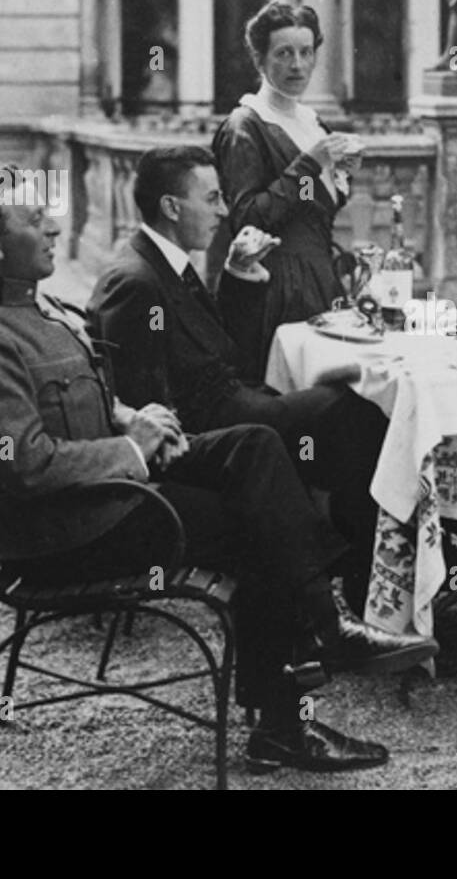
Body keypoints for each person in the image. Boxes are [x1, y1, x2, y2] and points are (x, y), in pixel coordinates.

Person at [0, 167, 437, 774]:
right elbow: (30, 466)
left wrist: (132, 419)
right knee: (260, 522)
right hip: (68, 532)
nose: (54, 226)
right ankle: (296, 696)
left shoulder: (33, 312)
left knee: (254, 446)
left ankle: (323, 626)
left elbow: (81, 400)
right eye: (35, 221)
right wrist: (135, 452)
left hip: (110, 495)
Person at [88, 145, 388, 606]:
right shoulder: (137, 283)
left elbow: (219, 347)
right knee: (357, 412)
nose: (224, 211)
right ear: (171, 207)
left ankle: (353, 560)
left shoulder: (165, 263)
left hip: (235, 404)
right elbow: (145, 407)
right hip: (219, 435)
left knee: (349, 406)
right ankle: (360, 571)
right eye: (211, 199)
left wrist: (238, 274)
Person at [210, 2, 362, 381]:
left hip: (320, 280)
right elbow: (247, 217)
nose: (297, 65)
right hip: (276, 288)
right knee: (294, 398)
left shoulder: (310, 121)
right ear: (260, 60)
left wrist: (341, 176)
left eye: (306, 52)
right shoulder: (246, 125)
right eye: (284, 53)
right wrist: (310, 164)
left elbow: (310, 205)